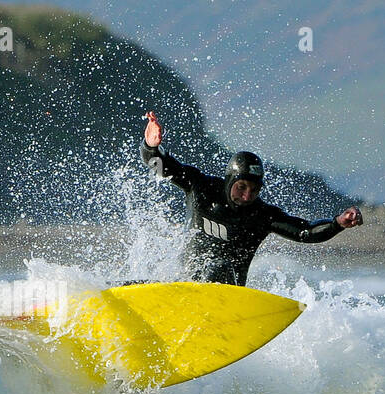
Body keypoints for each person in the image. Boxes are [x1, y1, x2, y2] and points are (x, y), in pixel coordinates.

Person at [139, 110, 362, 285]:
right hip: (185, 285)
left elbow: (306, 232)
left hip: (228, 296)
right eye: (241, 186)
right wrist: (151, 146)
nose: (247, 196)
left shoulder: (261, 216)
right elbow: (159, 166)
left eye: (254, 190)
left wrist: (337, 223)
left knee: (218, 267)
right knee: (141, 282)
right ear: (230, 180)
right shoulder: (202, 188)